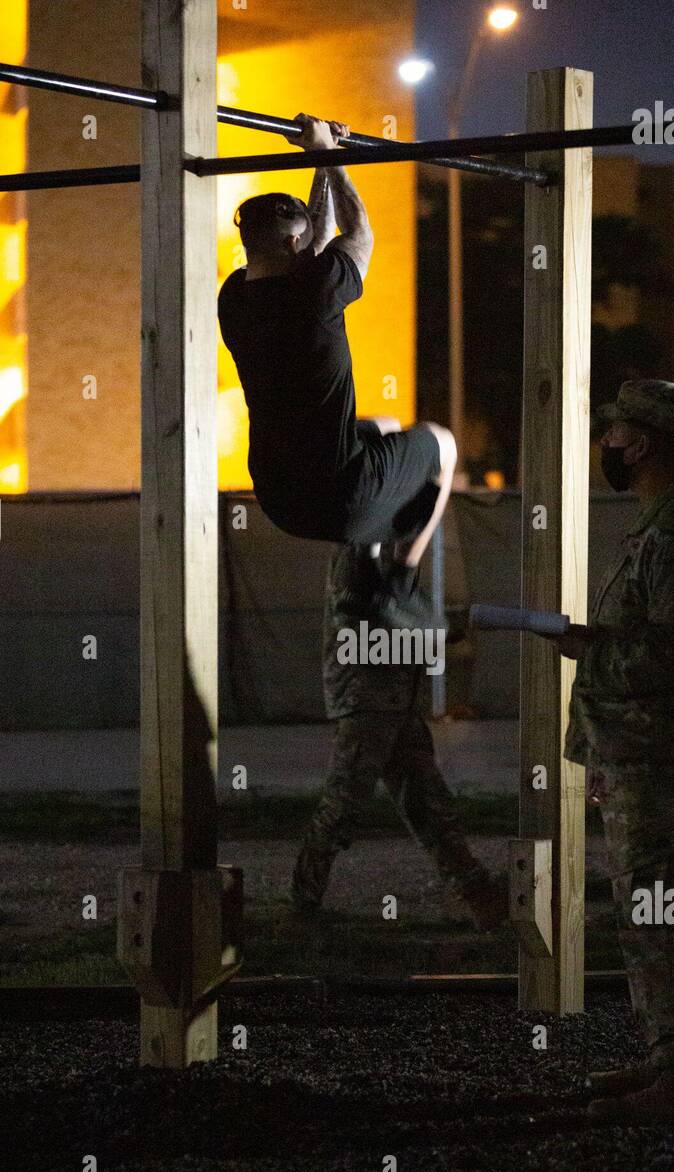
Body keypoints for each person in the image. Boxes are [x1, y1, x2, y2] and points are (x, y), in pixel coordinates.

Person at [549, 380, 674, 1122]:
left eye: (615, 432)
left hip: (663, 765)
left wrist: (587, 650)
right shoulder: (660, 522)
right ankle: (668, 1061)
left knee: (670, 917)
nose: (607, 444)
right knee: (645, 917)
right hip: (636, 762)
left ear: (641, 443)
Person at [218, 113, 456, 630]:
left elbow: (316, 242)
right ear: (293, 246)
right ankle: (398, 582)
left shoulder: (233, 297)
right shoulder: (318, 289)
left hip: (280, 499)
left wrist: (320, 160)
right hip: (343, 498)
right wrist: (331, 157)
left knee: (386, 427)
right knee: (441, 442)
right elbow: (358, 231)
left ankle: (365, 566)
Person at [290, 543, 507, 932]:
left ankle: (482, 899)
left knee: (429, 803)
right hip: (366, 701)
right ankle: (302, 905)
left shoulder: (390, 544)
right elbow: (354, 624)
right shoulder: (361, 545)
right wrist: (430, 635)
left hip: (394, 700)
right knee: (342, 806)